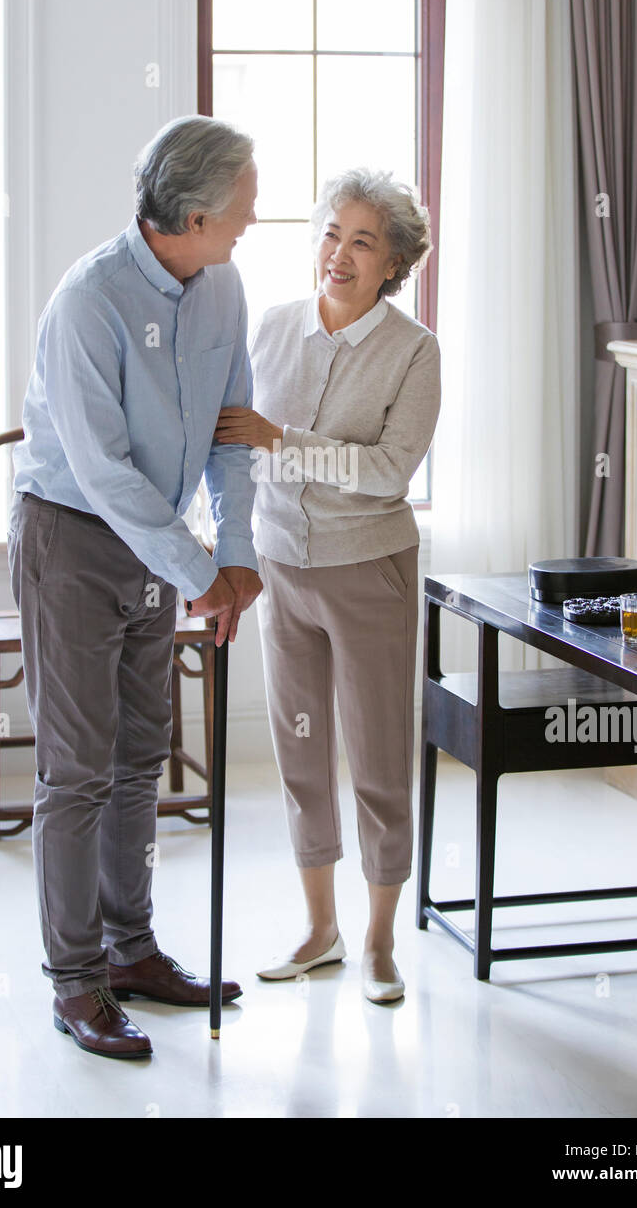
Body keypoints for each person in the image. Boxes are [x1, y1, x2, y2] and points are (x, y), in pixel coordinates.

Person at [8, 115, 263, 1059]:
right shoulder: (89, 301)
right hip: (73, 538)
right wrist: (202, 573)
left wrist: (233, 553)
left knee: (138, 753)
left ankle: (131, 950)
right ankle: (74, 982)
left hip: (159, 546)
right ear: (193, 215)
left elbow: (232, 428)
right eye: (240, 209)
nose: (251, 221)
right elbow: (105, 473)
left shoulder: (224, 286)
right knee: (75, 769)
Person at [214, 167, 441, 1003]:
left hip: (367, 573)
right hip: (281, 569)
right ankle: (322, 931)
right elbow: (231, 446)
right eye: (331, 233)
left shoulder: (415, 352)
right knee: (301, 757)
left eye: (362, 242)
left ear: (394, 264)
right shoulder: (271, 328)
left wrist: (285, 440)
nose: (338, 254)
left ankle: (380, 943)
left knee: (379, 761)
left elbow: (387, 475)